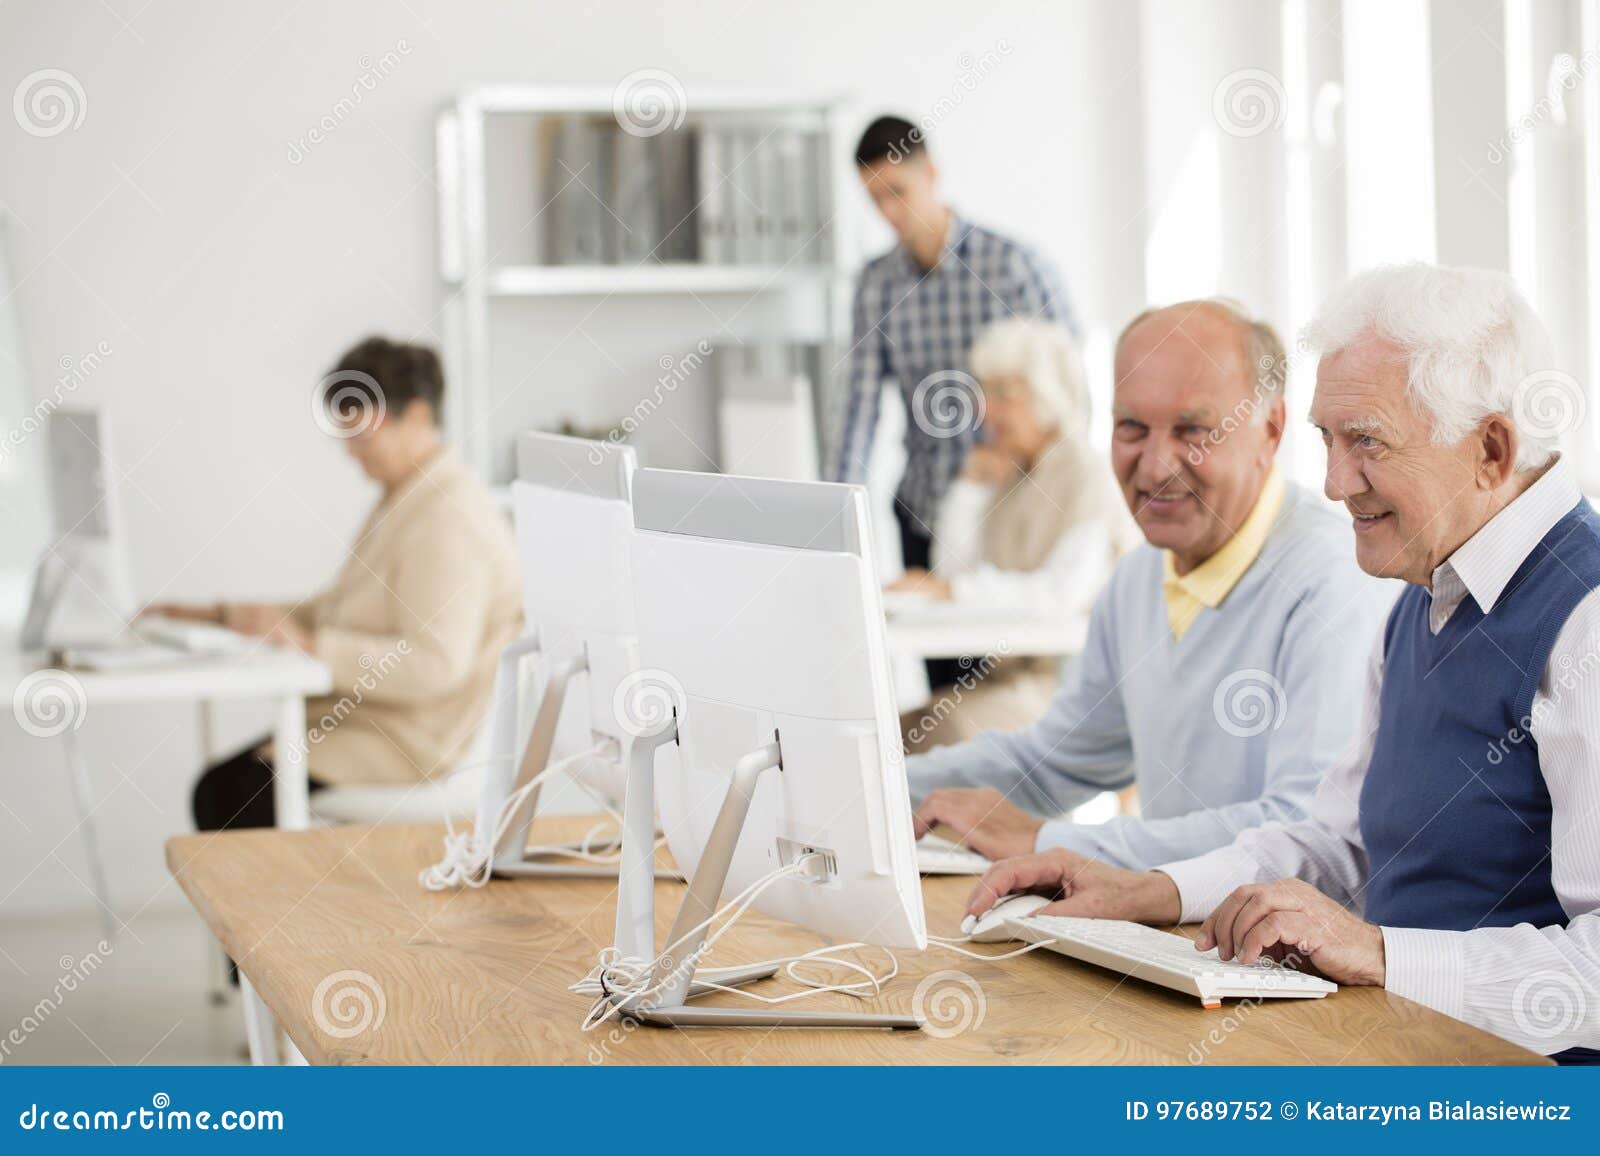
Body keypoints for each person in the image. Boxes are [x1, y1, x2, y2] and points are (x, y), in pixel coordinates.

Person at [961, 264, 1600, 1064]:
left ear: (1492, 448)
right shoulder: (1426, 589)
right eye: (1327, 441)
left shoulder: (1586, 619)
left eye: (1367, 442)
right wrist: (1147, 891)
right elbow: (1342, 843)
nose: (1333, 485)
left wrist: (1378, 954)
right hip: (1389, 1050)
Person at [907, 299, 1387, 868]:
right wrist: (874, 784)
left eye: (1193, 430)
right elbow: (1056, 761)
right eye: (1132, 427)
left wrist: (1050, 844)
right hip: (1176, 931)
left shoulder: (1334, 579)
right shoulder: (1139, 576)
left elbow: (1304, 832)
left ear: (1270, 431)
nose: (1156, 467)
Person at [154, 337, 522, 831]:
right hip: (372, 723)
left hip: (413, 740)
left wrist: (310, 645)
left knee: (230, 796)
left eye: (363, 439)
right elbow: (348, 605)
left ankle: (286, 909)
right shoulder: (408, 496)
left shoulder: (447, 516)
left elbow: (435, 664)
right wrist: (226, 615)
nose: (352, 455)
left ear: (414, 418)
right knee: (223, 789)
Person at [831, 115, 1076, 615]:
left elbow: (1068, 388)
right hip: (923, 510)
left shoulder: (1011, 267)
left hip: (1008, 511)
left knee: (1009, 678)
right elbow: (856, 410)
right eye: (874, 199)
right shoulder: (876, 287)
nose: (888, 211)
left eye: (898, 192)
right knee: (946, 688)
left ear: (931, 175)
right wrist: (834, 520)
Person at [886, 318, 1137, 749]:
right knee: (892, 735)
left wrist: (952, 593)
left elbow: (1059, 597)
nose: (985, 410)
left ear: (1046, 395)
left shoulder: (1085, 475)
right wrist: (969, 488)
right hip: (1004, 685)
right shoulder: (1013, 472)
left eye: (1004, 393)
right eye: (985, 391)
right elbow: (953, 569)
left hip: (1066, 693)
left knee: (920, 744)